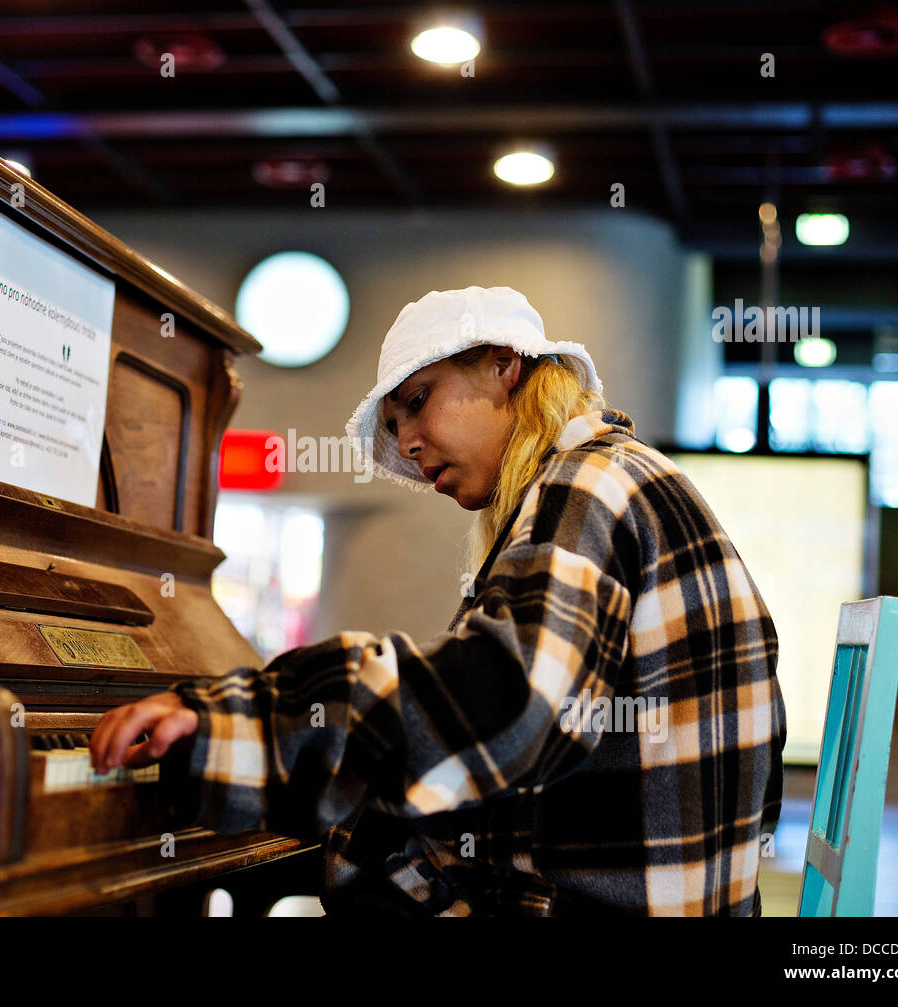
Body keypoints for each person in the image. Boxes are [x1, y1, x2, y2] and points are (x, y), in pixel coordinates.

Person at [90, 285, 787, 916]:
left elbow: (510, 703)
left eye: (418, 401)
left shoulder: (590, 484)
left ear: (505, 365)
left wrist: (248, 722)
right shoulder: (620, 476)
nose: (408, 444)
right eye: (395, 424)